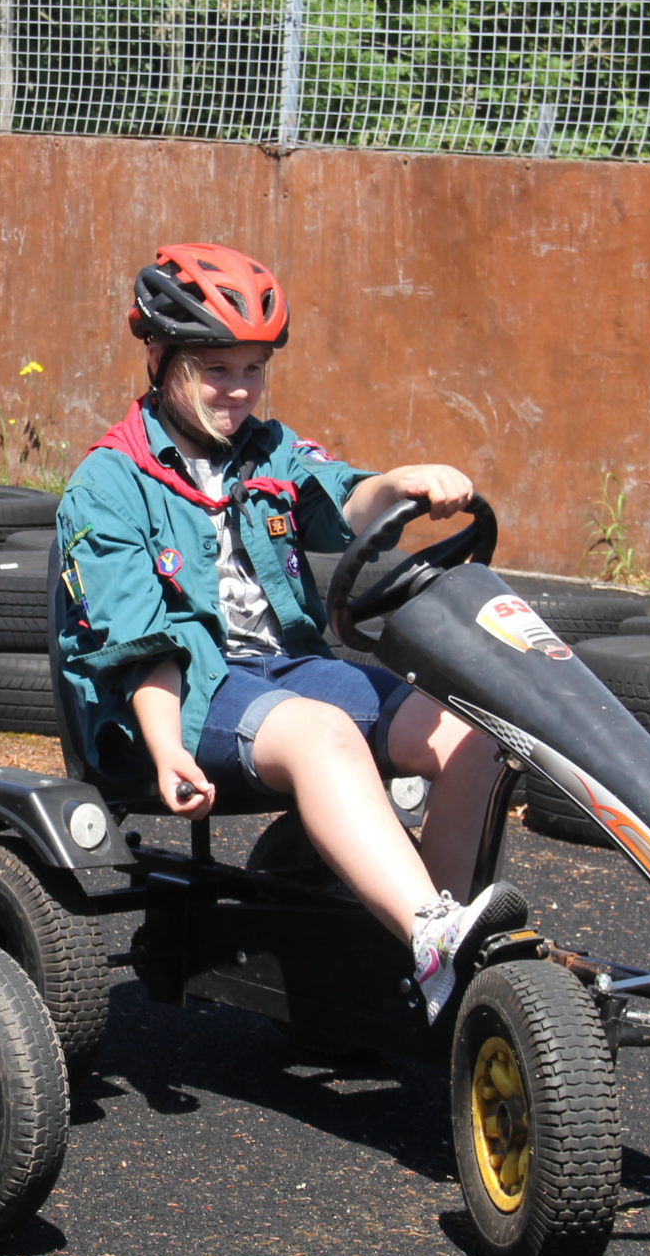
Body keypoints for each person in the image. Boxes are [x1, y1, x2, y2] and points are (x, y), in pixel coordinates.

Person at [55, 242, 515, 1020]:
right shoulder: (109, 483)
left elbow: (342, 498)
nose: (238, 390)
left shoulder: (268, 451)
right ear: (159, 358)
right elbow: (142, 644)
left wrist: (399, 484)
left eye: (253, 369)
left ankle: (438, 957)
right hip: (185, 691)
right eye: (216, 370)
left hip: (288, 670)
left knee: (473, 734)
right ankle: (432, 936)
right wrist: (165, 749)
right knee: (322, 733)